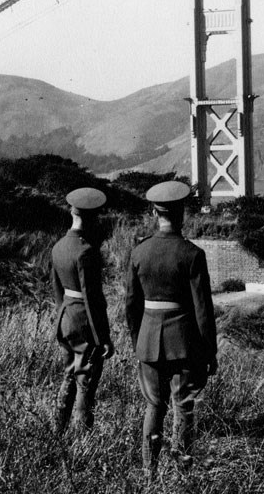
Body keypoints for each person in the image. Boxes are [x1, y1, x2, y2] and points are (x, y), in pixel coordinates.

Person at [124, 180, 218, 479]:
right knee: (183, 408)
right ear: (182, 213)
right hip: (185, 343)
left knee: (154, 406)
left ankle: (149, 472)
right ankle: (182, 474)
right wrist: (209, 351)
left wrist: (137, 340)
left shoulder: (139, 252)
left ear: (155, 212)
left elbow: (131, 304)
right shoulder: (192, 254)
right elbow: (203, 310)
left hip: (148, 341)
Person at [50, 187, 115, 433]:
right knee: (86, 382)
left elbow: (56, 289)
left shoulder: (58, 246)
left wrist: (62, 315)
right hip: (83, 322)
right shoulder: (87, 251)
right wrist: (102, 337)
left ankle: (58, 431)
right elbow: (92, 298)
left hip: (65, 318)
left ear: (72, 212)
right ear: (93, 217)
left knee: (69, 375)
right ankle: (81, 440)